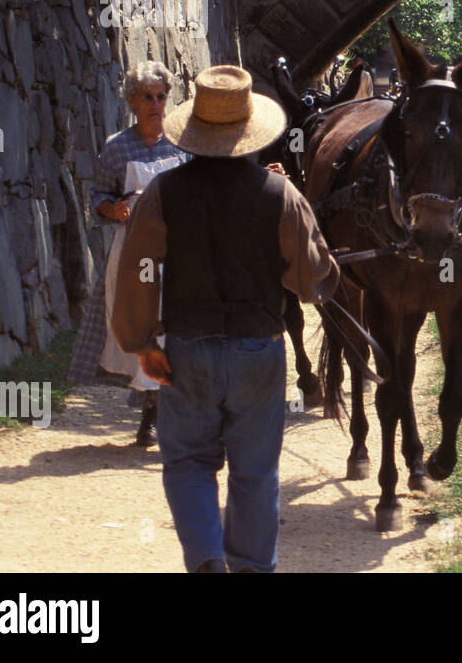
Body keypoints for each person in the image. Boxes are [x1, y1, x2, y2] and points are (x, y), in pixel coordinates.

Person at [111, 65, 340, 573]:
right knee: (255, 473)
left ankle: (208, 561)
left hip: (187, 349)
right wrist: (314, 269)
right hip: (259, 349)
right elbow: (309, 278)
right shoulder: (279, 194)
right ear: (248, 130)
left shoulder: (163, 193)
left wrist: (143, 340)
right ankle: (251, 568)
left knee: (189, 462)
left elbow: (139, 270)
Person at [68, 61, 190, 446]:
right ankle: (150, 415)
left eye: (162, 97)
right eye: (148, 98)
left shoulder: (182, 141)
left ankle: (185, 413)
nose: (156, 105)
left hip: (179, 249)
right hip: (137, 253)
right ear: (133, 102)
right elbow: (99, 197)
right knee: (146, 324)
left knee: (182, 323)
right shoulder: (118, 146)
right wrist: (114, 208)